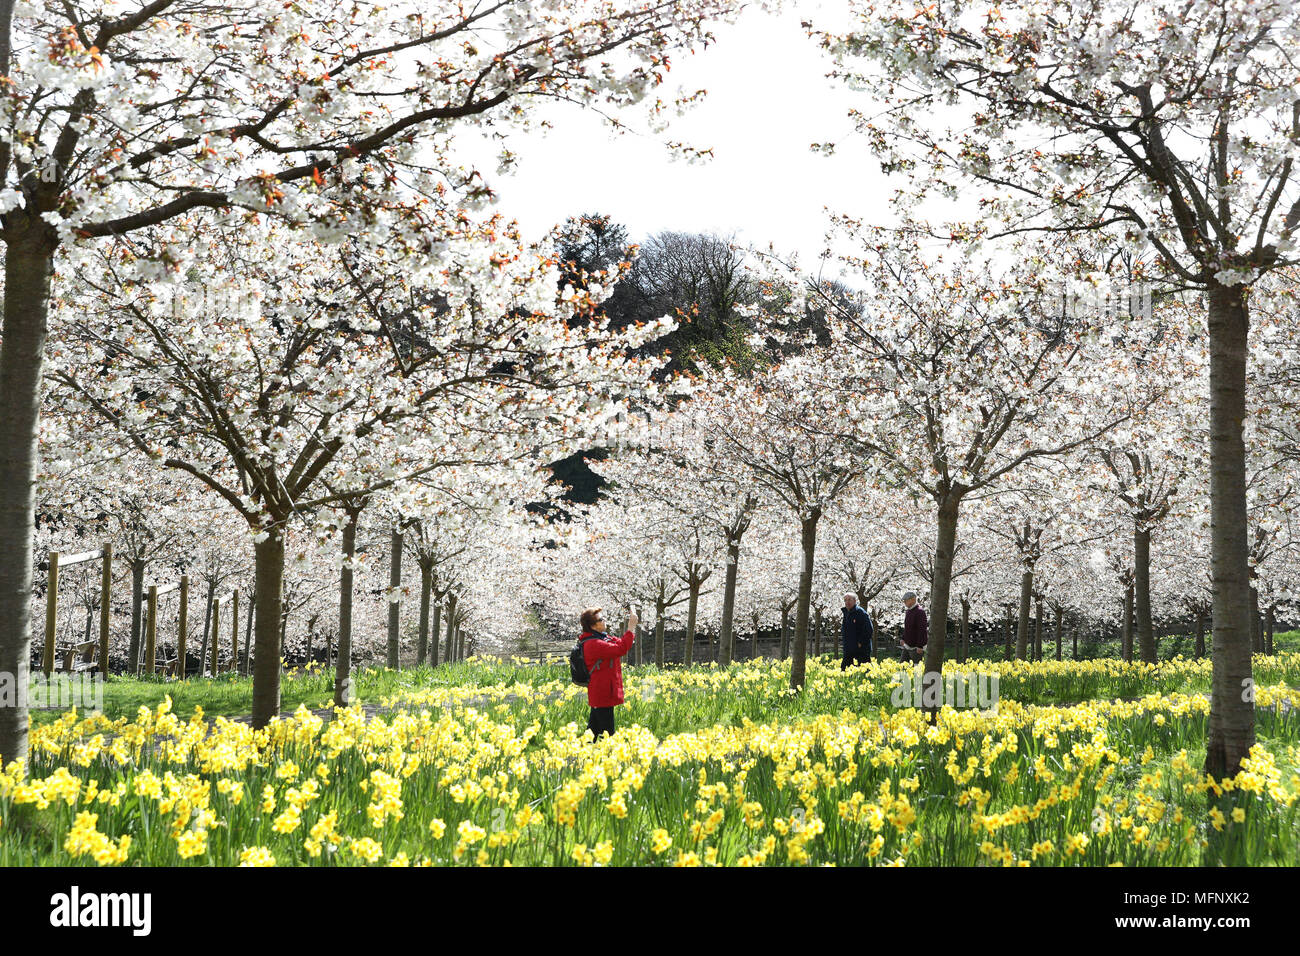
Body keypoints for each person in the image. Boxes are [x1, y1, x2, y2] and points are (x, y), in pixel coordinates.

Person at [579, 606, 637, 740]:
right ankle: (608, 757)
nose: (605, 621)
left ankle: (583, 756)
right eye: (601, 619)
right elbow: (621, 649)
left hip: (602, 691)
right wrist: (631, 628)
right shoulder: (594, 644)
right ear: (593, 625)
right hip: (602, 692)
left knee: (593, 731)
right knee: (608, 732)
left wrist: (630, 630)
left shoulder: (602, 638)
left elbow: (621, 643)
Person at [841, 592, 873, 670]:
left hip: (861, 647)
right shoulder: (846, 612)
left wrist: (860, 642)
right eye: (845, 600)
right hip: (849, 646)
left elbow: (869, 629)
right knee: (844, 669)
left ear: (855, 601)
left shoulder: (860, 612)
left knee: (865, 670)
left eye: (849, 600)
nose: (847, 602)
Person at [899, 590, 928, 664]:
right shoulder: (908, 611)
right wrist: (903, 638)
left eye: (906, 600)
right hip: (907, 645)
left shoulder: (920, 612)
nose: (904, 602)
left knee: (916, 668)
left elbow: (922, 630)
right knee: (902, 665)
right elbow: (907, 627)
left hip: (916, 646)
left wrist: (920, 646)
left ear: (913, 599)